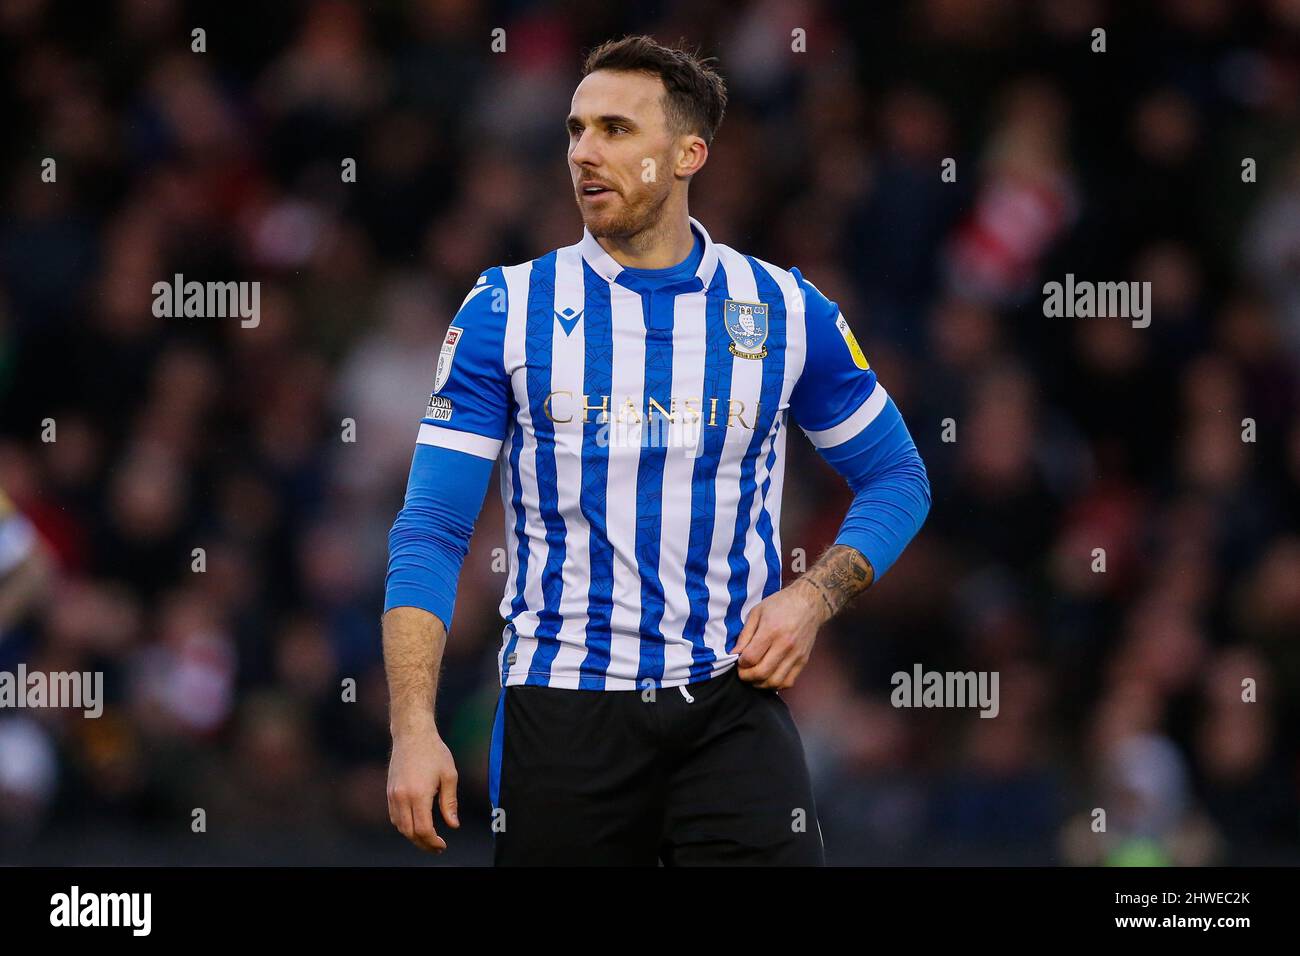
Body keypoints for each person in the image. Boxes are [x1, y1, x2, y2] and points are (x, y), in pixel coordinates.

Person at [382, 35, 930, 865]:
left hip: (729, 706)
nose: (584, 153)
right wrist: (414, 727)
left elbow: (898, 477)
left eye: (614, 129)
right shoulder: (507, 308)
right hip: (563, 712)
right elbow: (430, 529)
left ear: (688, 154)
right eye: (574, 130)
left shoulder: (783, 309)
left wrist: (810, 600)